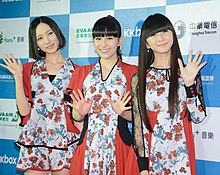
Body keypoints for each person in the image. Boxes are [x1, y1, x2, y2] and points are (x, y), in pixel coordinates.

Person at [0, 16, 80, 175]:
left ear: (58, 33)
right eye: (40, 38)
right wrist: (17, 76)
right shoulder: (28, 69)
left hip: (65, 140)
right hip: (35, 139)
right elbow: (24, 112)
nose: (47, 41)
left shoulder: (77, 71)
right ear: (35, 43)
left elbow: (78, 114)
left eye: (50, 33)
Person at [131, 13, 207, 175]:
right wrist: (143, 167)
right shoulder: (140, 78)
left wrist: (189, 85)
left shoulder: (187, 72)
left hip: (182, 155)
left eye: (164, 31)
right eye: (153, 34)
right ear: (146, 43)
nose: (160, 38)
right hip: (154, 156)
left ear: (173, 33)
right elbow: (139, 124)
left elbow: (198, 117)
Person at [66, 15, 139, 175]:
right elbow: (76, 117)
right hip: (88, 147)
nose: (103, 44)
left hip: (120, 146)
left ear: (120, 41)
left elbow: (139, 117)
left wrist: (124, 113)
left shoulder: (133, 72)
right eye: (98, 38)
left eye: (110, 38)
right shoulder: (82, 72)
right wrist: (80, 112)